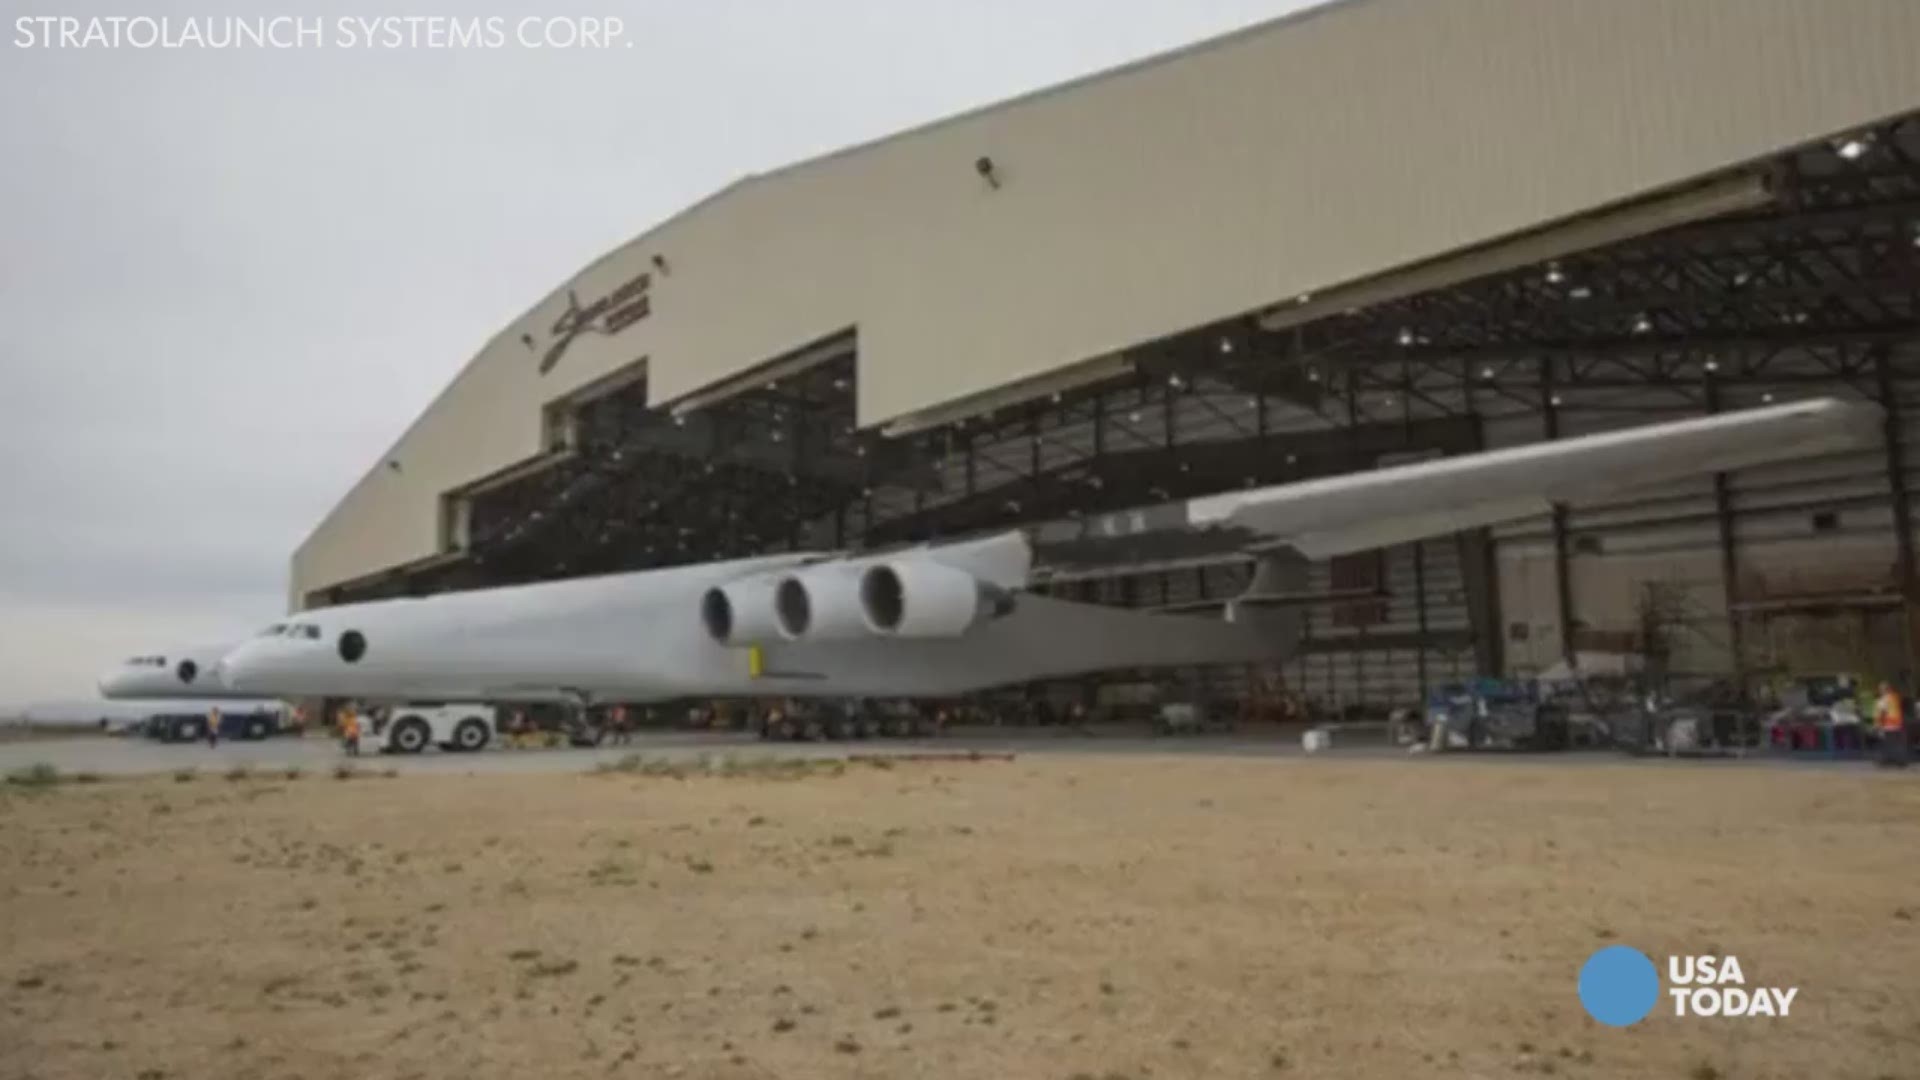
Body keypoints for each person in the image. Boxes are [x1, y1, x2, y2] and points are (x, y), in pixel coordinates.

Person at [1874, 681, 1908, 768]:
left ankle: (1887, 760)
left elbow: (1881, 713)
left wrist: (1878, 725)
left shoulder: (1883, 699)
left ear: (1884, 690)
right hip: (1898, 724)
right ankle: (1901, 761)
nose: (1880, 690)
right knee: (1897, 743)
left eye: (1881, 689)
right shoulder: (1895, 697)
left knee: (1887, 743)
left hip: (1888, 725)